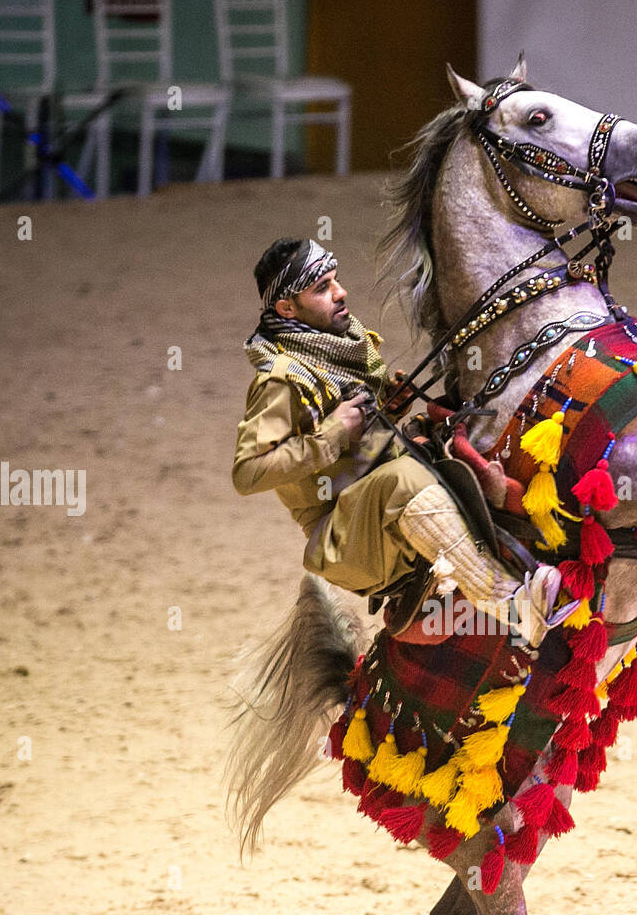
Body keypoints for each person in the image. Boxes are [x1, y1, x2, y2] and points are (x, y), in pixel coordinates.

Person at [231, 236, 562, 645]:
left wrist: (388, 407)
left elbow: (358, 446)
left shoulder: (341, 344)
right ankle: (510, 603)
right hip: (343, 535)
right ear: (287, 308)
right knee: (405, 478)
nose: (340, 292)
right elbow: (247, 473)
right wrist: (334, 433)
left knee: (444, 442)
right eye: (322, 288)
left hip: (371, 495)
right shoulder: (280, 380)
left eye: (335, 280)